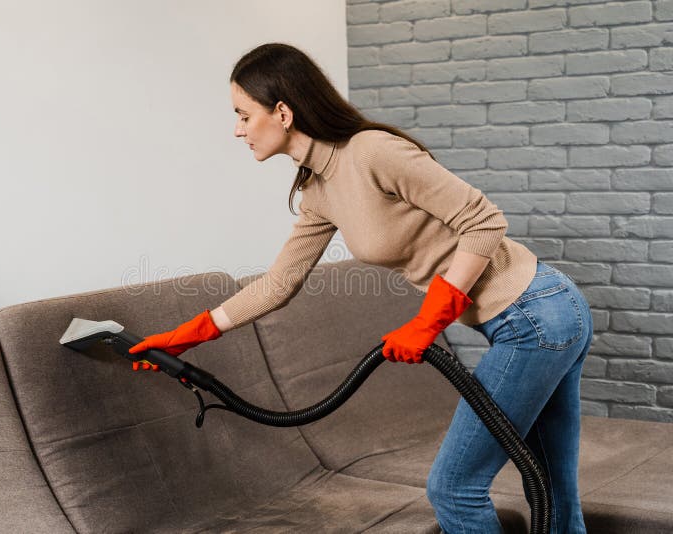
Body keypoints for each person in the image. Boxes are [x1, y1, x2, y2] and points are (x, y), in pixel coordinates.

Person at [128, 42, 593, 534]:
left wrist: (429, 320)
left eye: (243, 114)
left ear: (282, 112)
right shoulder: (318, 190)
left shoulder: (371, 152)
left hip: (535, 318)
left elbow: (483, 222)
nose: (237, 129)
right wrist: (190, 334)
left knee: (454, 489)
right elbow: (279, 283)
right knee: (551, 489)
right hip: (543, 314)